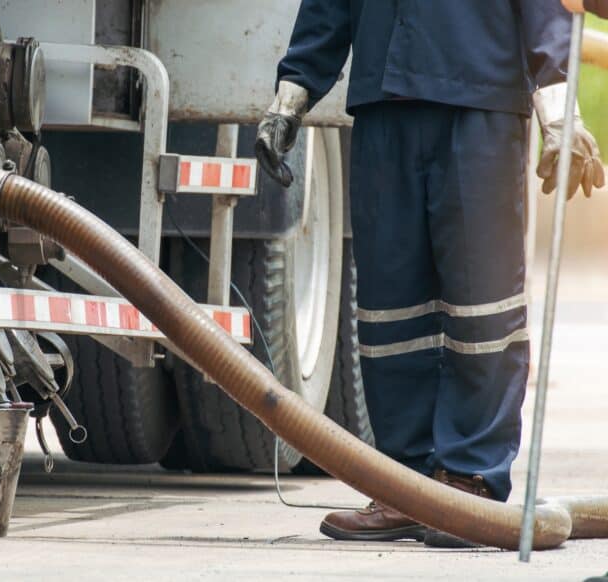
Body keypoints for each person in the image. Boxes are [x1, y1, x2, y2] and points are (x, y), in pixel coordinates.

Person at [256, 1, 604, 548]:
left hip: (477, 100)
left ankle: (470, 481)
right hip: (383, 105)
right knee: (388, 310)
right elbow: (327, 6)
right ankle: (404, 484)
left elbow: (549, 6)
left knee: (482, 306)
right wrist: (289, 101)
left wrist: (560, 117)